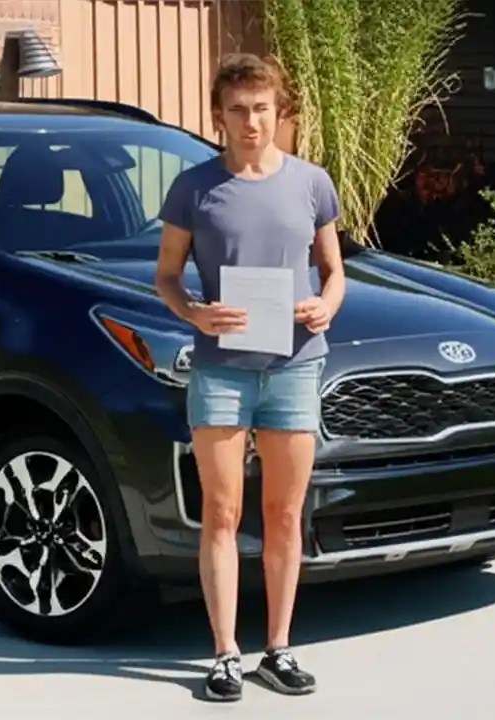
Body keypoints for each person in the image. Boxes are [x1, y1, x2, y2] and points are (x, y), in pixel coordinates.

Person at [153, 53, 346, 702]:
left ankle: (279, 648)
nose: (251, 121)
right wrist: (195, 312)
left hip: (296, 365)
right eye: (238, 110)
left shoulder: (312, 183)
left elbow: (334, 271)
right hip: (223, 371)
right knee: (222, 512)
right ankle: (225, 653)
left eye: (261, 108)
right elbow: (167, 278)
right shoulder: (195, 188)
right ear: (219, 117)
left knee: (285, 514)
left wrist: (327, 304)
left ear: (278, 112)